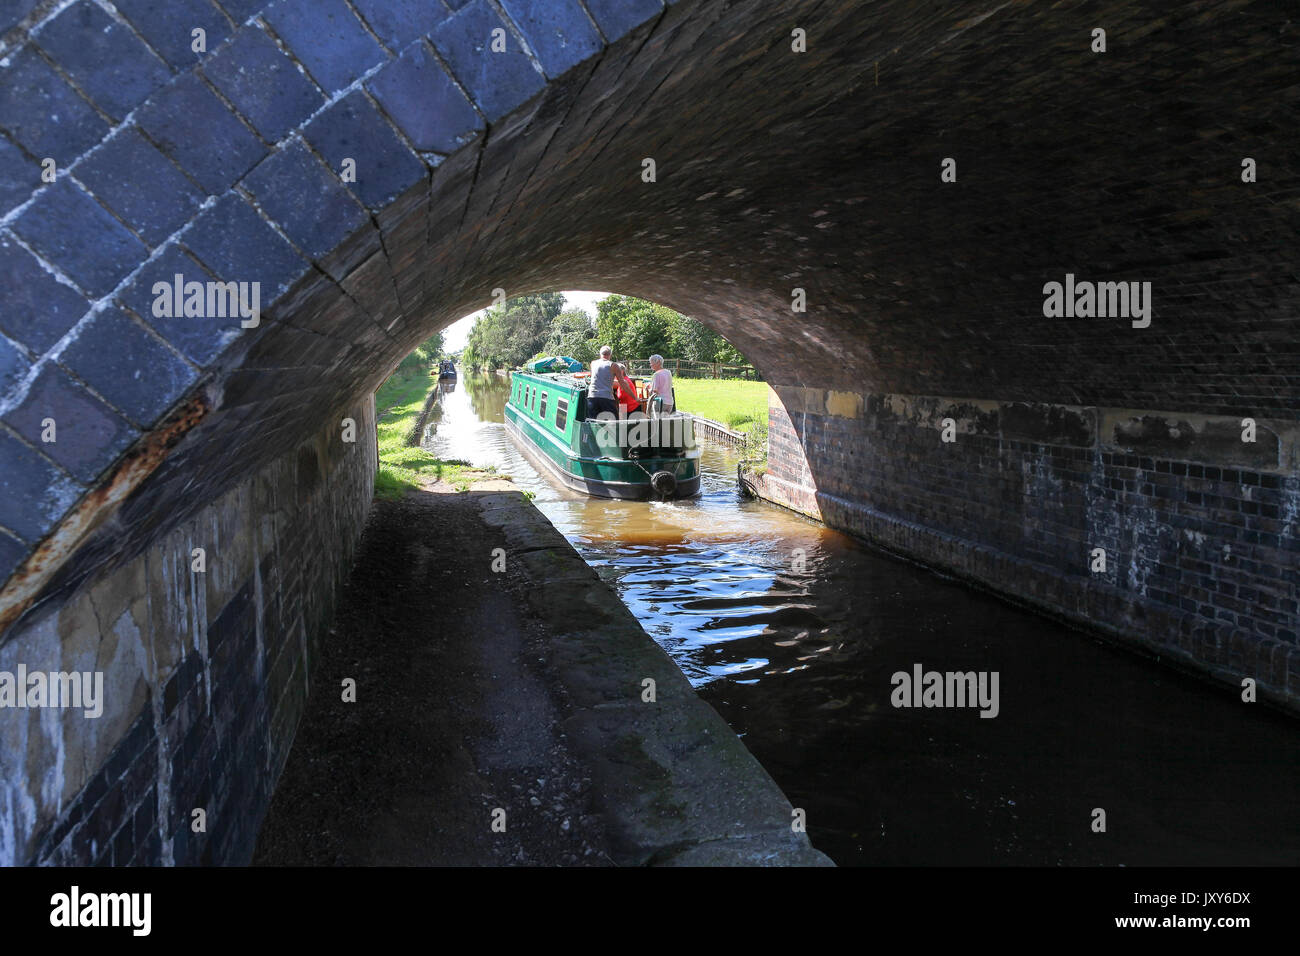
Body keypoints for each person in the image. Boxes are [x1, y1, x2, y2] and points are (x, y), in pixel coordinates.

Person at [587, 346, 635, 419]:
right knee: (613, 423)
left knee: (594, 423)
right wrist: (635, 397)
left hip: (592, 397)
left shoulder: (593, 363)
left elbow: (596, 378)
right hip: (606, 398)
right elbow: (623, 383)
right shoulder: (613, 365)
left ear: (600, 354)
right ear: (610, 355)